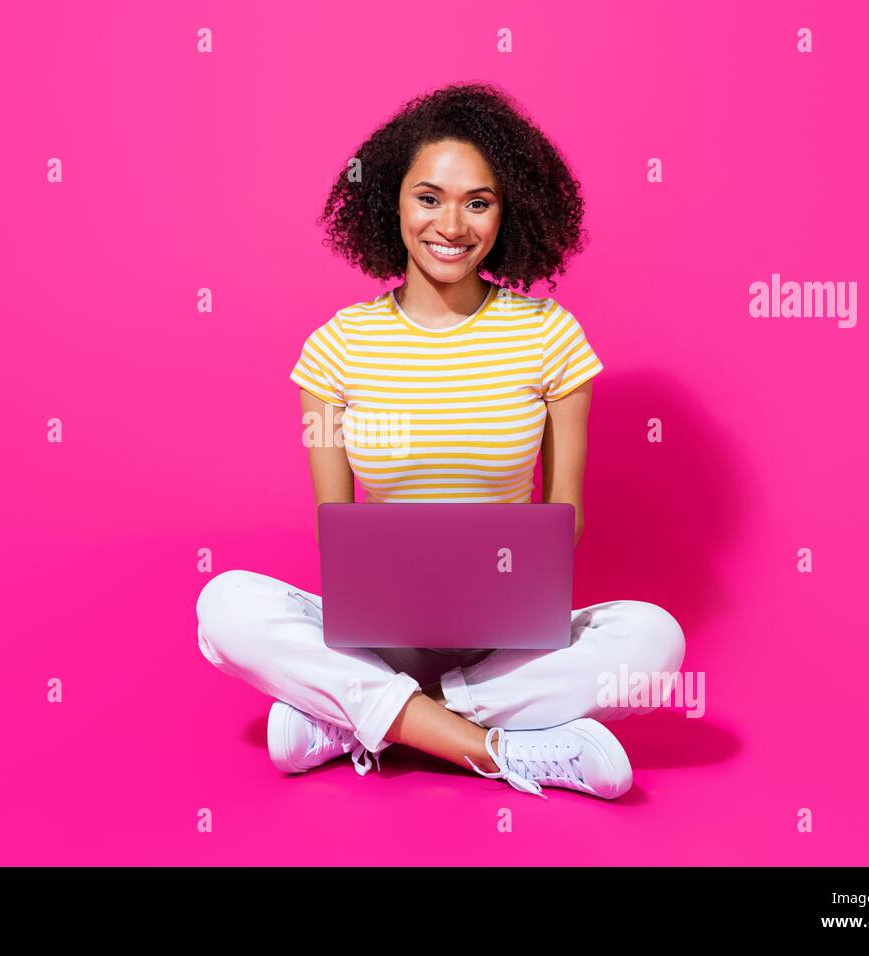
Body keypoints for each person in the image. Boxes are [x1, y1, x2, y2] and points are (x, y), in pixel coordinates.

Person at [196, 83, 684, 800]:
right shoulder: (335, 349)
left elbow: (566, 514)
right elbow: (337, 531)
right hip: (377, 634)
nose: (450, 224)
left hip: (507, 644)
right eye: (429, 198)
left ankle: (359, 721)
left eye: (477, 202)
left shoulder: (551, 338)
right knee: (225, 605)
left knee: (655, 638)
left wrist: (499, 576)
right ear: (392, 202)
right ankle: (489, 746)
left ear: (506, 211)